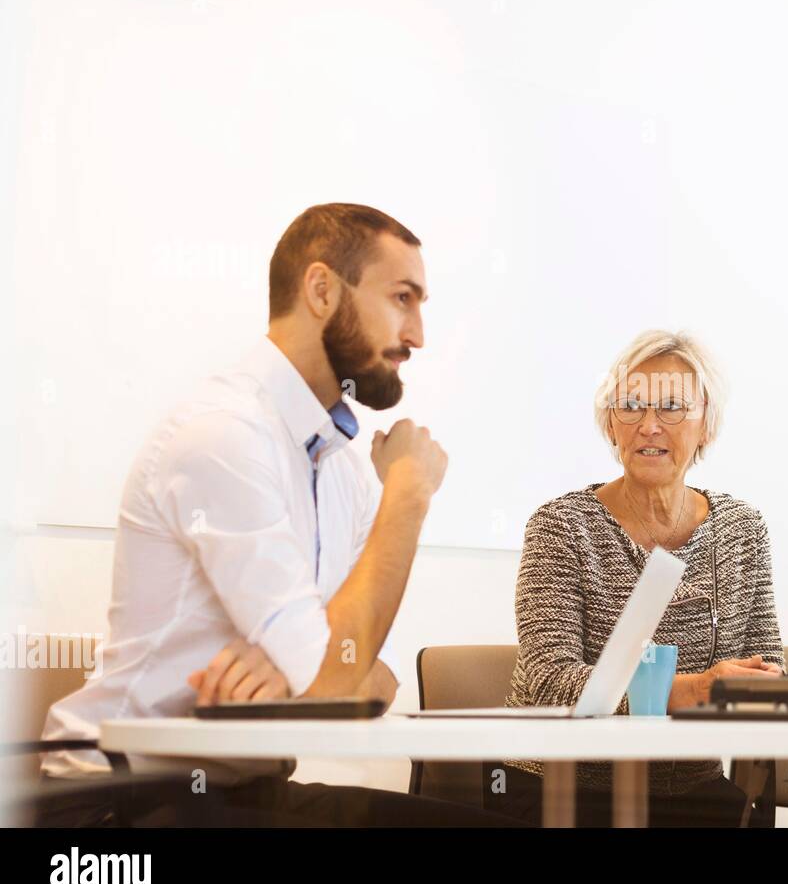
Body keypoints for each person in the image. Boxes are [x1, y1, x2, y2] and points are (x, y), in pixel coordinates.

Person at [39, 203, 520, 826]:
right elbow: (337, 681)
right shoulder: (225, 436)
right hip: (116, 806)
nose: (418, 334)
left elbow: (371, 680)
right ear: (321, 289)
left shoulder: (340, 464)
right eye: (403, 297)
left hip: (242, 795)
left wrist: (317, 669)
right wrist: (408, 493)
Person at [488, 330, 784, 827]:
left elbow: (766, 666)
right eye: (630, 406)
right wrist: (691, 690)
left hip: (691, 788)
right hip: (563, 786)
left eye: (671, 407)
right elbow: (550, 682)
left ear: (706, 425)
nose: (649, 426)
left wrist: (761, 686)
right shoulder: (562, 525)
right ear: (611, 424)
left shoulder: (742, 530)